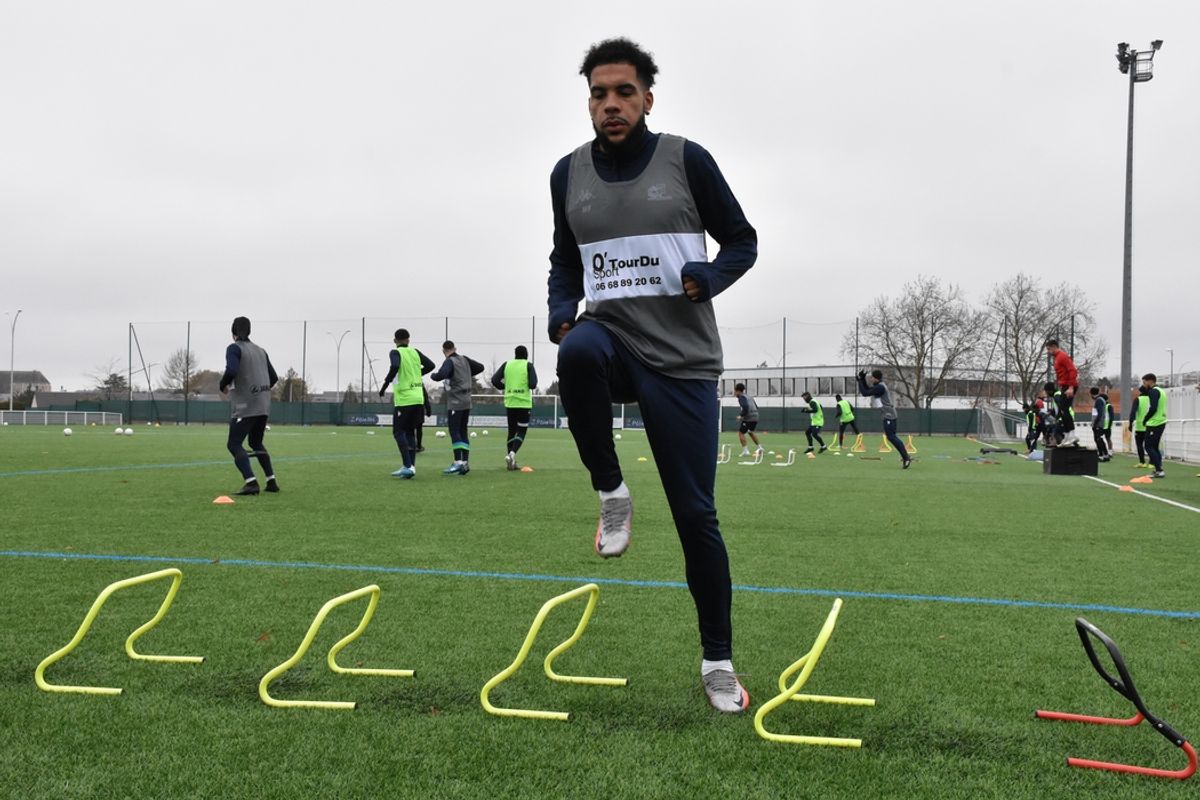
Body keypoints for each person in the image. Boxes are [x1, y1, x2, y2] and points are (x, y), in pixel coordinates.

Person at [547, 38, 757, 713]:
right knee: (576, 352)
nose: (611, 105)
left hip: (683, 361)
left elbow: (743, 240)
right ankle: (611, 491)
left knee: (698, 518)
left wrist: (711, 275)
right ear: (589, 102)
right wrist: (560, 307)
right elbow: (564, 260)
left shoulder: (686, 161)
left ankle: (718, 661)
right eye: (599, 94)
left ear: (647, 99)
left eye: (624, 93)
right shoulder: (566, 175)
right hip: (613, 342)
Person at [218, 316, 279, 495]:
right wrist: (260, 391)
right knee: (256, 442)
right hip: (263, 405)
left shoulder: (234, 348)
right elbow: (273, 377)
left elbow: (231, 370)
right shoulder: (261, 351)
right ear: (249, 331)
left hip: (245, 406)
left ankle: (251, 482)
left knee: (234, 443)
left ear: (233, 333)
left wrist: (223, 384)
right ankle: (271, 481)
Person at [377, 329, 435, 479]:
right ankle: (411, 467)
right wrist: (416, 374)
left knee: (398, 432)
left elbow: (395, 366)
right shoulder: (415, 352)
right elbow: (431, 365)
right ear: (408, 340)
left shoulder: (395, 352)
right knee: (410, 432)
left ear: (395, 341)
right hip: (418, 398)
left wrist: (384, 385)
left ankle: (407, 465)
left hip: (405, 399)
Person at [430, 340, 485, 475]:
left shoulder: (449, 361)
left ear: (444, 351)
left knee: (455, 431)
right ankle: (465, 463)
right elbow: (481, 367)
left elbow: (441, 375)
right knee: (463, 431)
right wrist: (466, 373)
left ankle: (457, 463)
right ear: (455, 348)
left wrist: (433, 376)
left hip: (456, 401)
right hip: (467, 400)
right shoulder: (464, 359)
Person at [491, 345, 539, 470]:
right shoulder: (528, 365)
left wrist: (505, 387)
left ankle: (511, 462)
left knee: (511, 431)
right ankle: (511, 454)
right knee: (521, 431)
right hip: (523, 403)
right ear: (526, 354)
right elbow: (533, 384)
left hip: (510, 402)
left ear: (515, 354)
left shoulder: (507, 364)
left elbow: (495, 380)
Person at [857, 369, 911, 468]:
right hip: (888, 414)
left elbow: (865, 393)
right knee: (891, 436)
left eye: (872, 377)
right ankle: (905, 457)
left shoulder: (880, 388)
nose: (871, 378)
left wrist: (860, 380)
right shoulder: (878, 386)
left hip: (889, 414)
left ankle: (906, 457)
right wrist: (862, 379)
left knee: (891, 436)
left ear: (876, 378)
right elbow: (867, 390)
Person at [1044, 339, 1080, 447]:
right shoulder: (1056, 358)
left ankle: (1072, 434)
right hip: (1064, 385)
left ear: (1054, 347)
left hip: (1068, 386)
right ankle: (1068, 435)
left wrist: (1071, 387)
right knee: (1063, 410)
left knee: (1064, 410)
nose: (1048, 352)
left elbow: (1072, 370)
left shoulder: (1062, 356)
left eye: (1049, 349)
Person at [1140, 373, 1168, 478]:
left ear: (1150, 381)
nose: (1144, 385)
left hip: (1154, 423)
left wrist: (1145, 419)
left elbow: (1153, 408)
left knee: (1148, 446)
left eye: (1144, 382)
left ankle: (1160, 470)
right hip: (1161, 421)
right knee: (1154, 447)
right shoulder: (1161, 391)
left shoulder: (1153, 391)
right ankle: (1158, 469)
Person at [733, 383, 762, 457]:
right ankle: (760, 447)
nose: (735, 393)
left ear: (737, 391)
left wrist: (741, 416)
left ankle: (745, 451)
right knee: (750, 432)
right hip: (756, 416)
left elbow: (745, 407)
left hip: (750, 417)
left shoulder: (741, 397)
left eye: (735, 391)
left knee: (741, 433)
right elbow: (756, 407)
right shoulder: (749, 396)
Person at [1129, 386, 1150, 468]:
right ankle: (1152, 463)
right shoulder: (1152, 399)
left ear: (1140, 391)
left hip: (1140, 426)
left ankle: (1142, 462)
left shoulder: (1138, 399)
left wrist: (1130, 424)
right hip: (1151, 425)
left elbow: (1133, 412)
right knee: (1150, 445)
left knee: (1140, 445)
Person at [1089, 387, 1111, 462]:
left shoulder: (1098, 400)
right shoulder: (1100, 400)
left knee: (1098, 439)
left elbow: (1099, 413)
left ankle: (1101, 455)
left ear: (1091, 393)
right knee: (1100, 439)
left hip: (1098, 424)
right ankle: (1105, 454)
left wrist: (1095, 423)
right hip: (1099, 423)